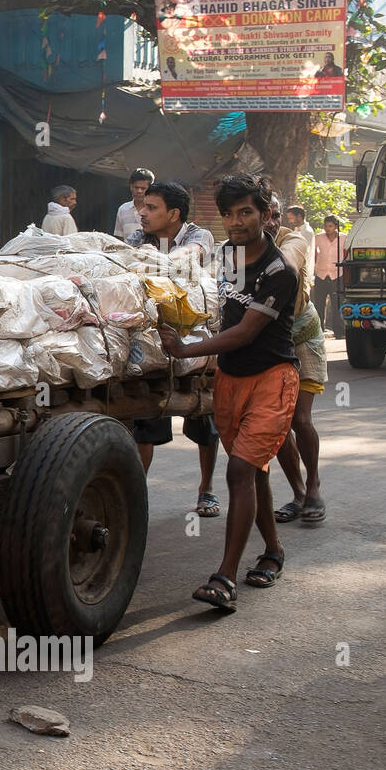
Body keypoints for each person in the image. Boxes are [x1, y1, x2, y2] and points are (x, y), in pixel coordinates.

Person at [160, 173, 300, 612]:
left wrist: (187, 349)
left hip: (273, 379)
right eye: (229, 213)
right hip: (230, 380)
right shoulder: (227, 254)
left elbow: (244, 333)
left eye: (246, 212)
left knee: (239, 471)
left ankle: (224, 577)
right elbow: (222, 312)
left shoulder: (281, 271)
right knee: (253, 472)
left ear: (264, 214)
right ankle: (273, 550)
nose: (236, 221)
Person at [125, 181, 221, 515]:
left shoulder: (198, 235)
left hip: (196, 338)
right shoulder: (137, 238)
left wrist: (153, 264)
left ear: (174, 213)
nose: (142, 213)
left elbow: (189, 257)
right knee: (144, 424)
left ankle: (206, 489)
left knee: (203, 423)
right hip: (152, 339)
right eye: (143, 206)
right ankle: (135, 496)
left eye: (151, 207)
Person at [267, 200, 327, 526]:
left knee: (300, 420)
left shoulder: (294, 240)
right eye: (267, 215)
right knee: (278, 424)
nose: (273, 221)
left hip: (304, 338)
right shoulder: (236, 249)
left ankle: (314, 484)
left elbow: (287, 264)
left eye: (277, 215)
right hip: (271, 343)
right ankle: (299, 493)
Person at [313, 214, 346, 335]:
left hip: (337, 274)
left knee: (337, 304)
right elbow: (313, 253)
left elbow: (347, 254)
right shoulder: (318, 238)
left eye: (330, 226)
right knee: (319, 304)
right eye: (326, 226)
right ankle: (318, 331)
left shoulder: (344, 238)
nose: (327, 229)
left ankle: (339, 331)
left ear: (336, 226)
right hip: (321, 274)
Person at [114, 168, 154, 240]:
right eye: (136, 187)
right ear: (131, 187)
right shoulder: (123, 209)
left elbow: (165, 236)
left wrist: (164, 251)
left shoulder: (156, 209)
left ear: (150, 189)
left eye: (143, 188)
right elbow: (119, 239)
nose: (139, 191)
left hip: (151, 251)